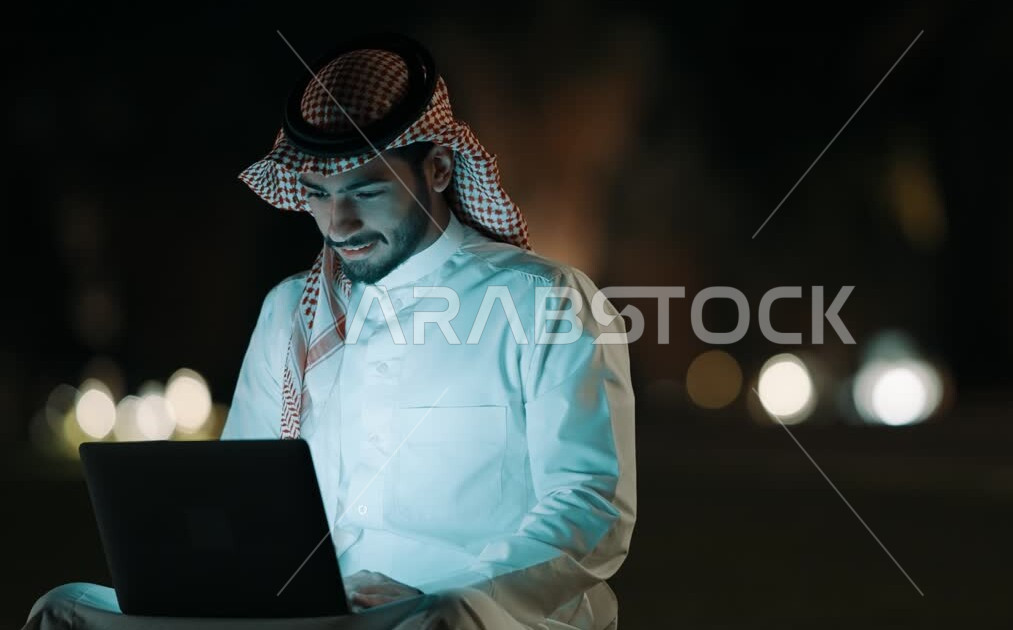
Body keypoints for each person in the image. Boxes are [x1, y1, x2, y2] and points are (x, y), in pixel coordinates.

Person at [26, 34, 635, 630]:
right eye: (318, 195)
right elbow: (243, 495)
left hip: (479, 612)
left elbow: (591, 508)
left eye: (365, 191)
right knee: (67, 607)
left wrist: (450, 593)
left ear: (440, 168)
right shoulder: (290, 310)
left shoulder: (544, 300)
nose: (338, 222)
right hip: (312, 612)